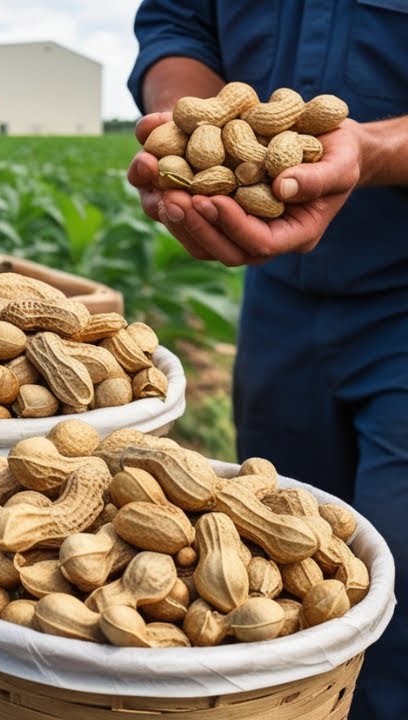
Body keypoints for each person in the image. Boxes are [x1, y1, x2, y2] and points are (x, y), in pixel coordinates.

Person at [127, 3, 408, 717]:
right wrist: (182, 122)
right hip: (280, 293)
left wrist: (371, 150)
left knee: (394, 595)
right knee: (275, 570)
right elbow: (179, 24)